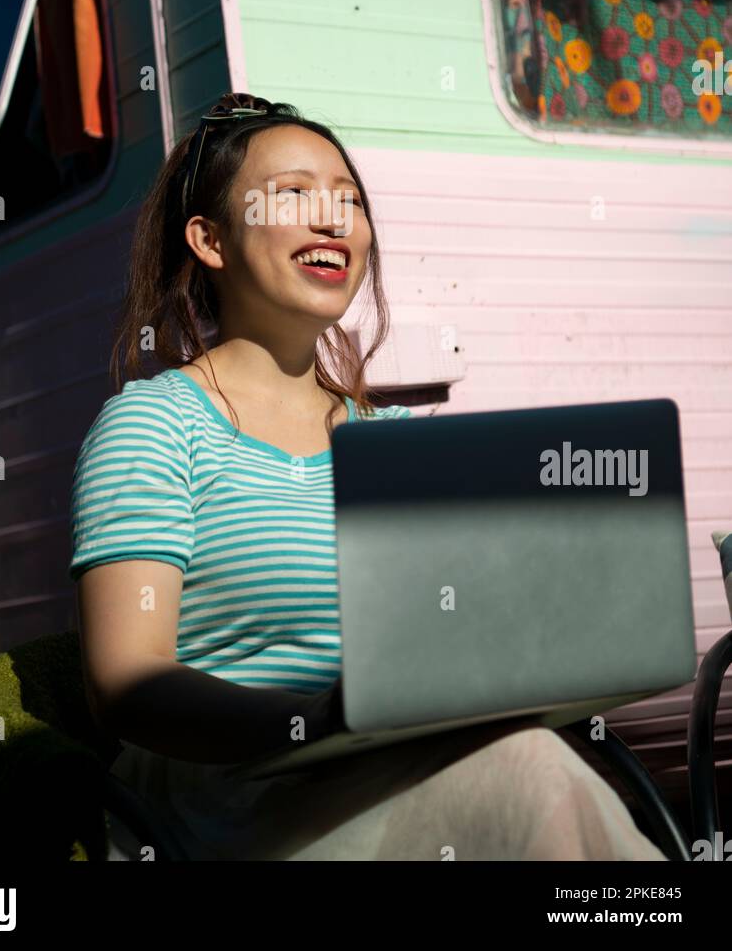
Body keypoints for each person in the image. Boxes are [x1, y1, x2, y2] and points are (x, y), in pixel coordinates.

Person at [69, 91, 666, 862]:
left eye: (349, 200)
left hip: (400, 766)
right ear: (210, 239)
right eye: (293, 194)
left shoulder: (393, 445)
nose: (333, 219)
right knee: (525, 777)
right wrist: (308, 722)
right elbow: (124, 683)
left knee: (523, 761)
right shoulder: (153, 425)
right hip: (230, 797)